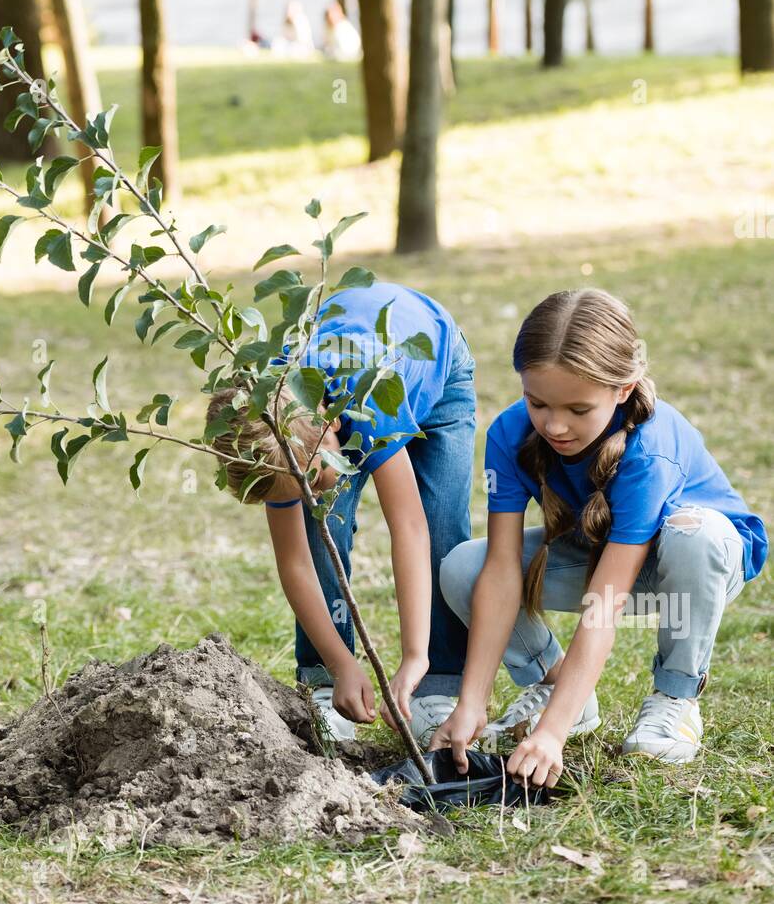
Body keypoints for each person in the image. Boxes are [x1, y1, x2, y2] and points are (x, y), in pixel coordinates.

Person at [433, 288, 768, 787]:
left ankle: (674, 700)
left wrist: (551, 735)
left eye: (577, 409)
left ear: (624, 388)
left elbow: (606, 603)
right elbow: (502, 572)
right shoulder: (509, 434)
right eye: (537, 402)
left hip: (690, 568)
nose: (554, 424)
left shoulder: (648, 452)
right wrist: (471, 701)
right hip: (596, 553)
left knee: (690, 535)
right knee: (465, 566)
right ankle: (558, 686)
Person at [206, 282, 476, 746]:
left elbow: (408, 527)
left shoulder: (371, 403)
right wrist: (344, 664)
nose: (310, 494)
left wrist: (413, 655)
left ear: (331, 427)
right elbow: (295, 563)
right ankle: (326, 681)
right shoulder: (268, 426)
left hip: (435, 367)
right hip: (336, 386)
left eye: (312, 479)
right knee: (320, 530)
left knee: (440, 524)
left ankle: (439, 682)